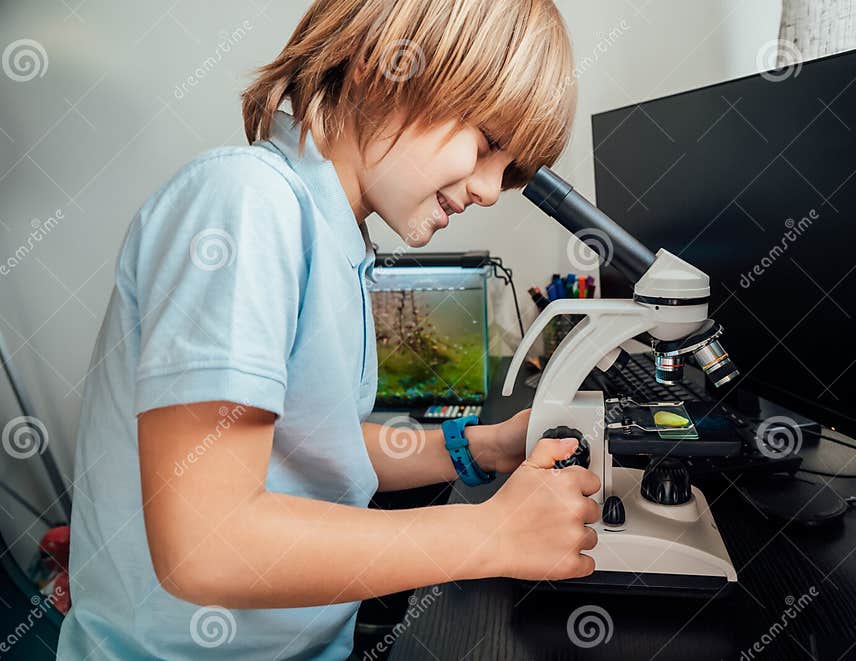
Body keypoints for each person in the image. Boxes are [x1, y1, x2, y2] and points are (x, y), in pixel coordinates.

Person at [57, 0, 600, 659]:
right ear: (383, 69)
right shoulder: (245, 202)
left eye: (508, 173)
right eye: (487, 145)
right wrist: (492, 534)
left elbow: (313, 448)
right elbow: (208, 543)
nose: (490, 189)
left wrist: (483, 446)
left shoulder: (336, 238)